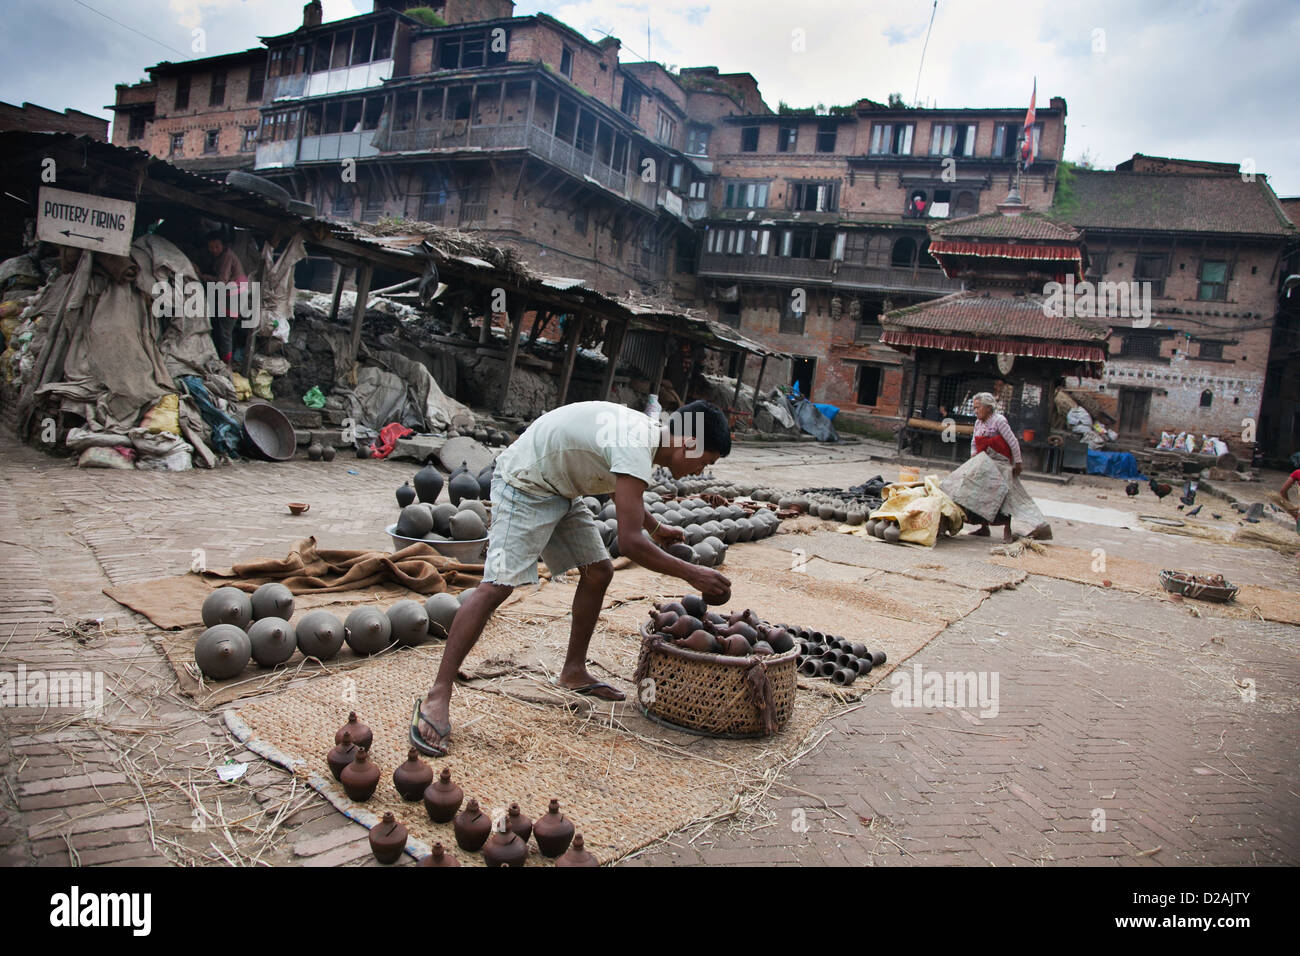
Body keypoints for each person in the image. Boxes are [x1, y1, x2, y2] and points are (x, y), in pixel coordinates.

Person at [410, 399, 734, 757]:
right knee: (497, 587)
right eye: (705, 461)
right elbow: (629, 543)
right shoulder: (637, 443)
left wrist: (656, 527)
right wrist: (693, 574)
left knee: (599, 570)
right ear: (689, 442)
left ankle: (574, 671)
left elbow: (617, 486)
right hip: (525, 482)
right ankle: (437, 694)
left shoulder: (644, 441)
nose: (700, 471)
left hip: (560, 487)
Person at [940, 392, 1051, 543]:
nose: (975, 410)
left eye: (978, 408)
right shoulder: (978, 423)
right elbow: (974, 442)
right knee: (976, 494)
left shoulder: (999, 421)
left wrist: (1018, 463)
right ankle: (983, 527)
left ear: (988, 408)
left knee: (1004, 498)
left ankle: (1008, 529)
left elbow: (1013, 443)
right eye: (974, 408)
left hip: (1000, 464)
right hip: (983, 463)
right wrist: (973, 460)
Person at [200, 231, 246, 367]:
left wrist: (205, 277)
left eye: (216, 247)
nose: (213, 250)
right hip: (229, 295)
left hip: (233, 296)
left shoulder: (227, 257)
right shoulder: (220, 256)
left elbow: (222, 281)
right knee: (221, 328)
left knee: (225, 332)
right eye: (211, 247)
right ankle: (224, 358)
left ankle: (227, 365)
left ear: (223, 245)